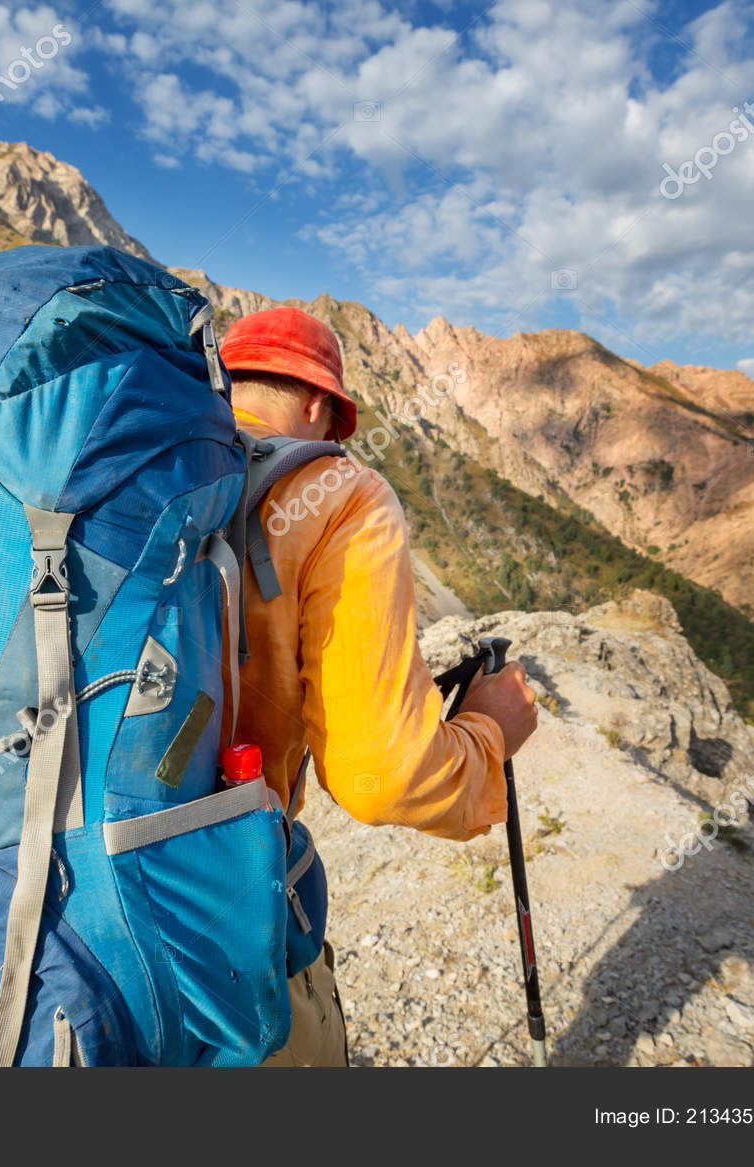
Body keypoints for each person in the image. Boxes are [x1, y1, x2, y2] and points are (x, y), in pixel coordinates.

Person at [218, 306, 541, 1066]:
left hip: (13, 913)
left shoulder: (113, 471)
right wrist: (489, 734)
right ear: (318, 404)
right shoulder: (340, 494)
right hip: (215, 921)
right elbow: (382, 778)